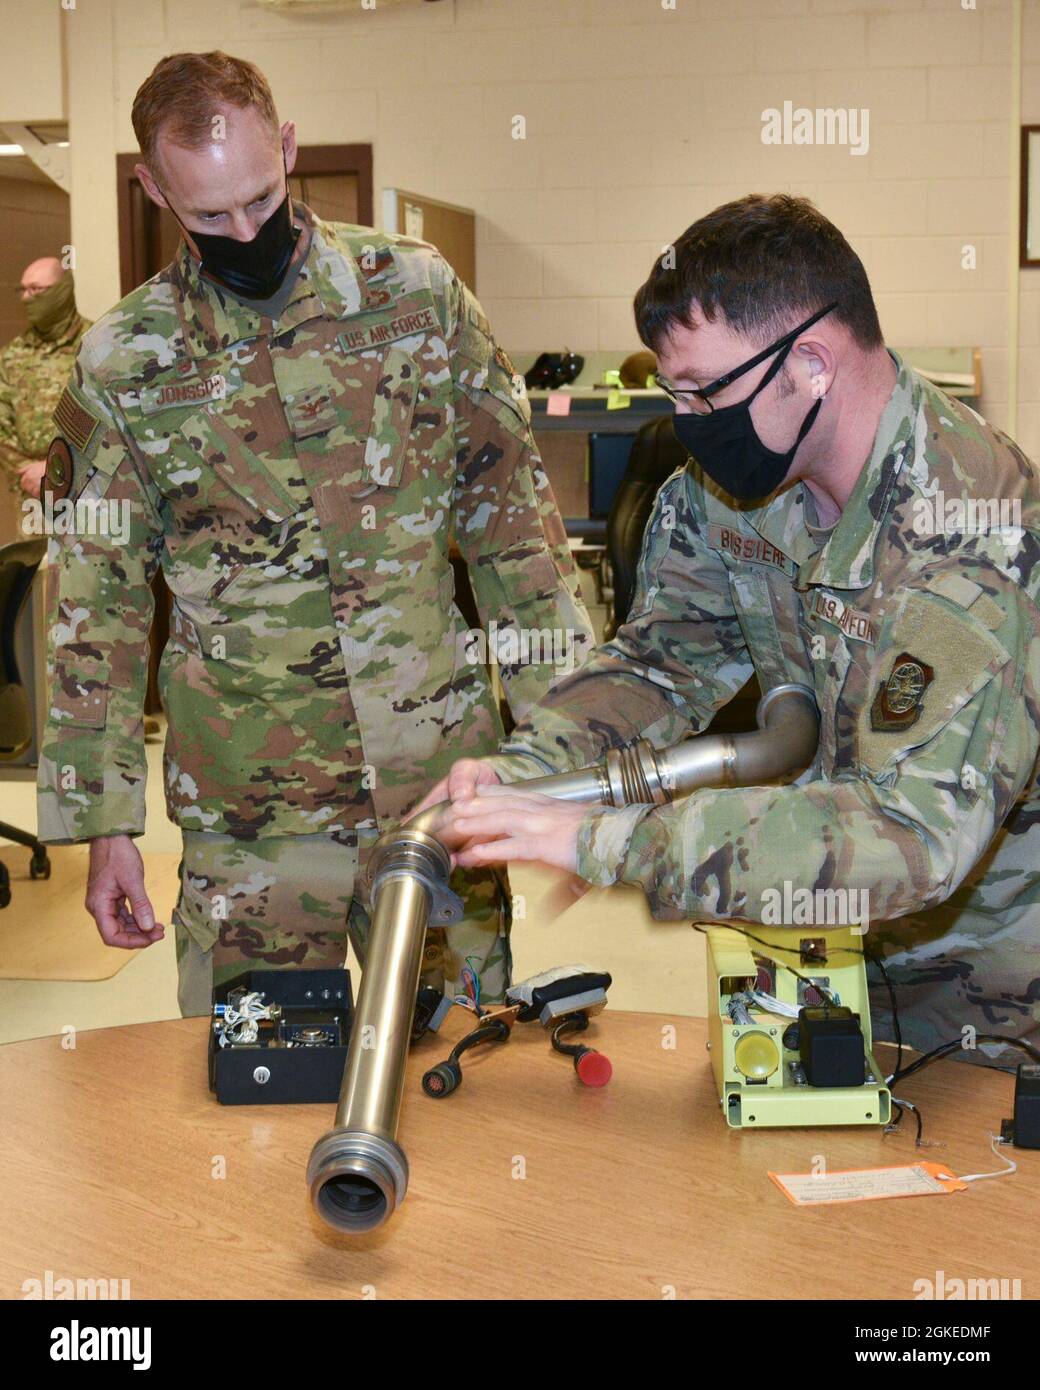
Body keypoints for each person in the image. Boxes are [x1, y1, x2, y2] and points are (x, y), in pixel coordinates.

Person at [423, 193, 1040, 1071]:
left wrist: (605, 840)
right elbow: (661, 663)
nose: (689, 422)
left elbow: (911, 831)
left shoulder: (975, 534)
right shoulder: (737, 489)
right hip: (815, 953)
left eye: (705, 391)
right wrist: (523, 779)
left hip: (987, 1004)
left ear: (812, 363)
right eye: (674, 392)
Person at [36, 50, 592, 1015]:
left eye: (261, 195)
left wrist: (567, 752)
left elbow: (516, 531)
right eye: (209, 214)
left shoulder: (416, 297)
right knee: (260, 1083)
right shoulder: (125, 361)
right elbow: (96, 603)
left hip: (438, 782)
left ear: (285, 148)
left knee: (456, 1065)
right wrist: (103, 823)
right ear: (151, 187)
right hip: (250, 811)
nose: (246, 231)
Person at [0, 259, 90, 504]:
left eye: (36, 289)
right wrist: (30, 472)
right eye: (23, 290)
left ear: (62, 290)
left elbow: (113, 421)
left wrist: (59, 469)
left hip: (91, 492)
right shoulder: (11, 356)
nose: (27, 298)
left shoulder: (95, 346)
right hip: (33, 494)